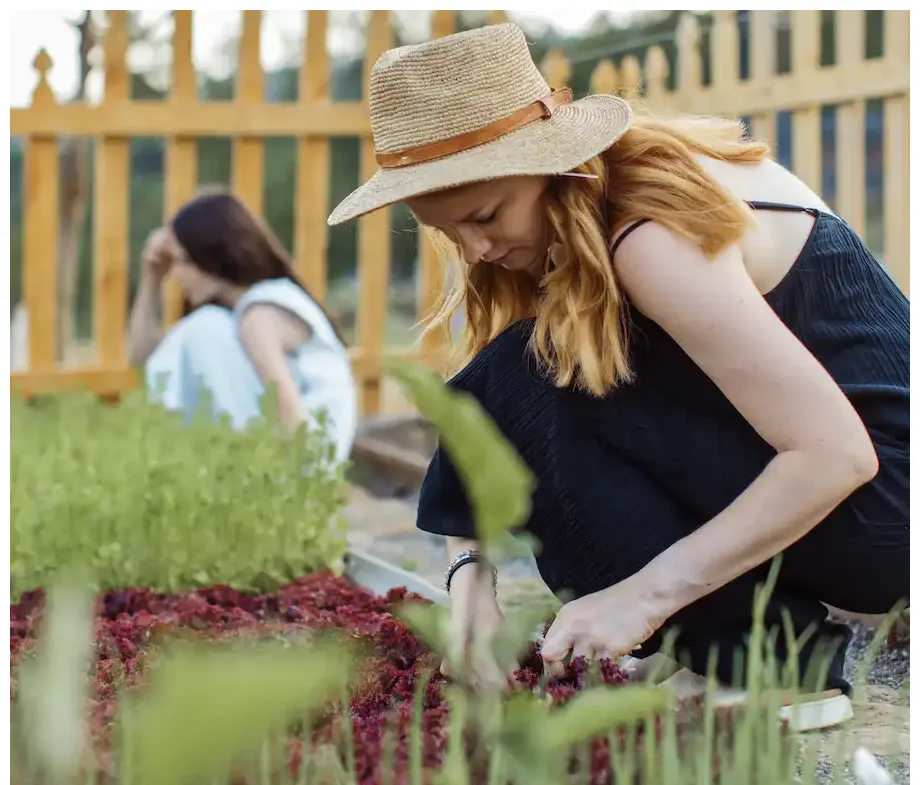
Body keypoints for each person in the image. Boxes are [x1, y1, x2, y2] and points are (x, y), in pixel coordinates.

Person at [327, 24, 909, 726]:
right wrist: (470, 586)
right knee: (520, 370)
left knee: (536, 378)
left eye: (484, 217)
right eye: (453, 233)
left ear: (550, 163)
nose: (476, 251)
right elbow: (481, 407)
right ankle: (715, 646)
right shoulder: (579, 217)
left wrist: (643, 596)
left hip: (885, 504)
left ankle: (771, 665)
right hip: (852, 495)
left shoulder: (648, 235)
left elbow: (837, 454)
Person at [128, 191, 357, 464]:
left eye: (183, 261)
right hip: (295, 460)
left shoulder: (258, 316)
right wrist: (151, 278)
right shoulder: (246, 312)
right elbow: (141, 357)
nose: (175, 274)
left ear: (214, 257)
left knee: (203, 328)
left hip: (299, 467)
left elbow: (292, 420)